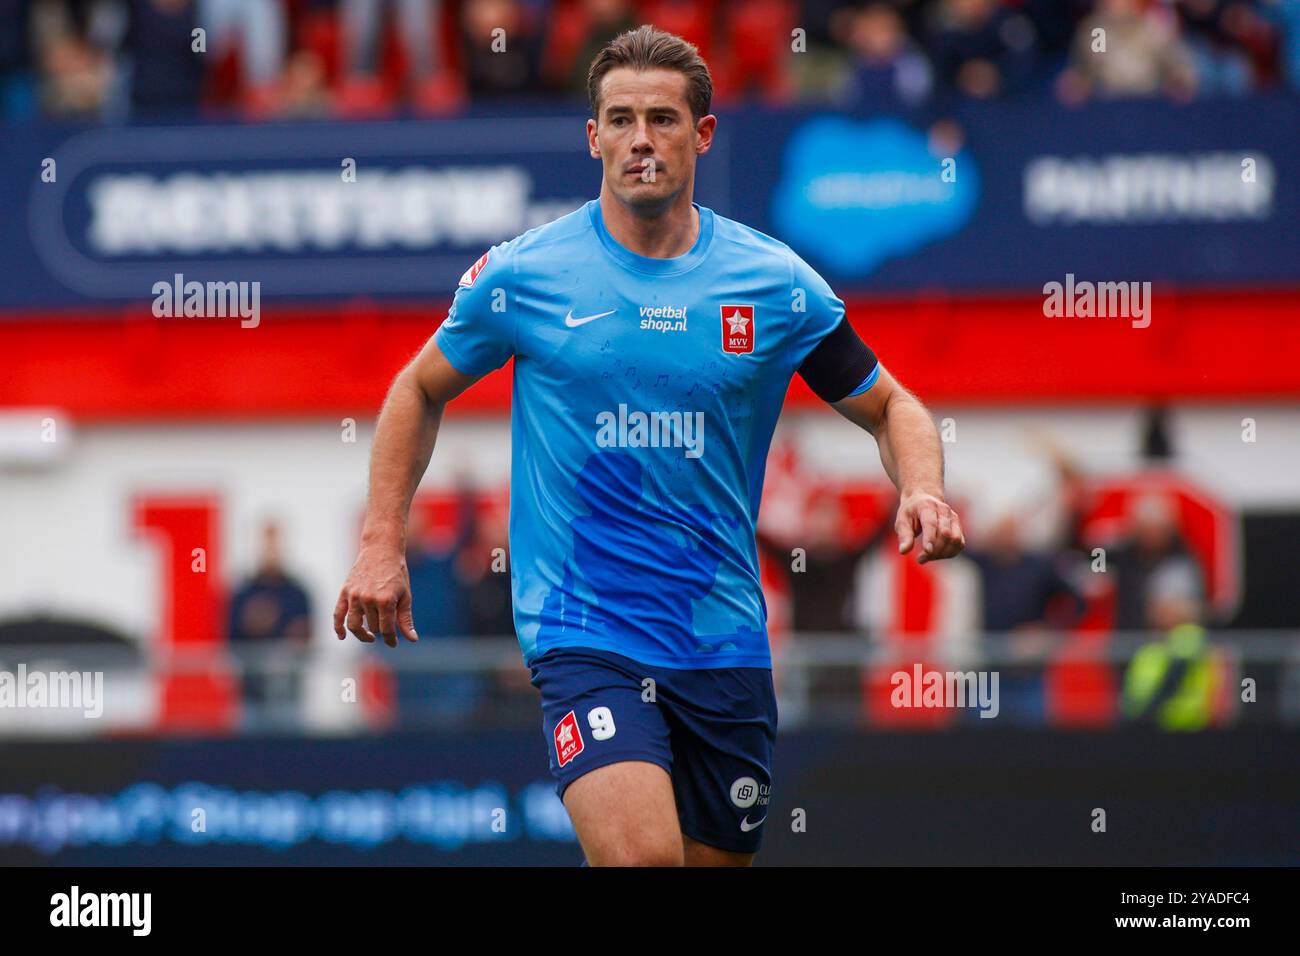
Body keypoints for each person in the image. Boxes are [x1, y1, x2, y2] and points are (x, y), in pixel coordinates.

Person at [334, 25, 965, 867]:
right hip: (582, 633)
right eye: (621, 119)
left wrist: (920, 489)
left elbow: (893, 407)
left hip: (723, 642)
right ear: (591, 134)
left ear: (701, 134)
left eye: (663, 120)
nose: (641, 140)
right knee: (643, 862)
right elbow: (417, 388)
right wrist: (382, 542)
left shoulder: (771, 283)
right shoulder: (527, 275)